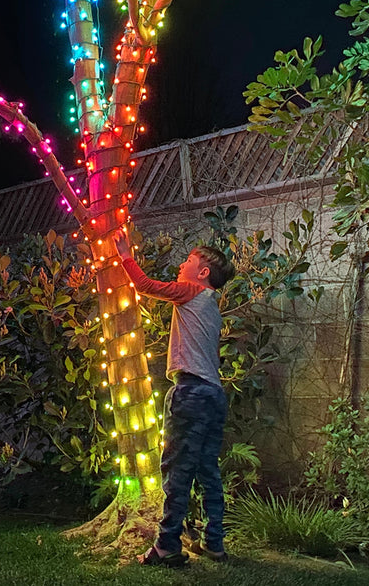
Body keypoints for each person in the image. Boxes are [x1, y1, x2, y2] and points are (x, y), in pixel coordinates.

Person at [114, 232, 236, 567]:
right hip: (213, 394)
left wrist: (125, 255)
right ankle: (214, 543)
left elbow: (145, 286)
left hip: (191, 392)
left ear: (203, 273)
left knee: (177, 470)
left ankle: (167, 545)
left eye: (189, 261)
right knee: (208, 470)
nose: (182, 264)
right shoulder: (211, 305)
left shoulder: (190, 291)